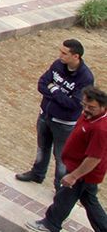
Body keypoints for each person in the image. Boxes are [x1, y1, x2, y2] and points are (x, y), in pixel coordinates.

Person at [26, 86, 107, 232]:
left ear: (103, 107)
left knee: (64, 198)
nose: (86, 109)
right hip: (77, 168)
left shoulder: (101, 129)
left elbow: (94, 158)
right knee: (89, 201)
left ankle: (50, 224)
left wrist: (74, 176)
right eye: (85, 105)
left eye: (92, 107)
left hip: (83, 172)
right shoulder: (90, 116)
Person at [19, 40, 96, 187]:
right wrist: (59, 96)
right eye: (61, 51)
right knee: (42, 147)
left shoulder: (85, 78)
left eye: (64, 53)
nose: (60, 55)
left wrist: (54, 90)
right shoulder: (58, 65)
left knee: (62, 157)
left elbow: (74, 104)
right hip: (45, 116)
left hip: (64, 124)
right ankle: (37, 173)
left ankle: (60, 186)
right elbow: (42, 83)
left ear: (76, 56)